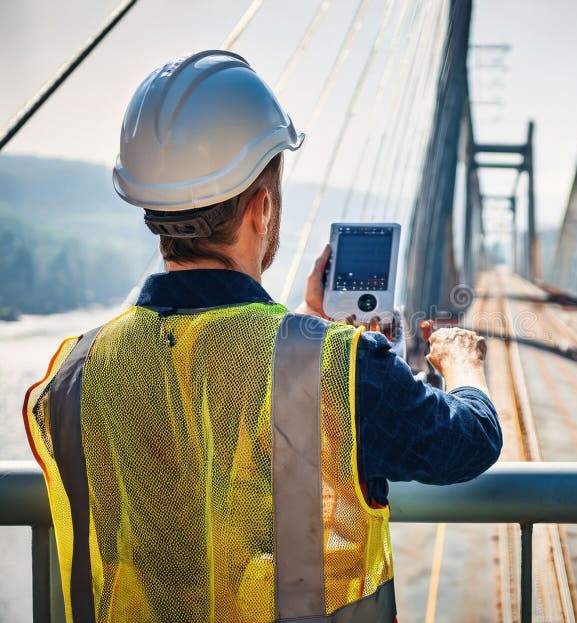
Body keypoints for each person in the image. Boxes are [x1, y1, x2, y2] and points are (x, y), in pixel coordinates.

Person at [23, 50, 501, 623]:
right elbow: (468, 442)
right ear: (263, 206)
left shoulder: (76, 373)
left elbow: (203, 394)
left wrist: (306, 318)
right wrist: (461, 361)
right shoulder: (342, 366)